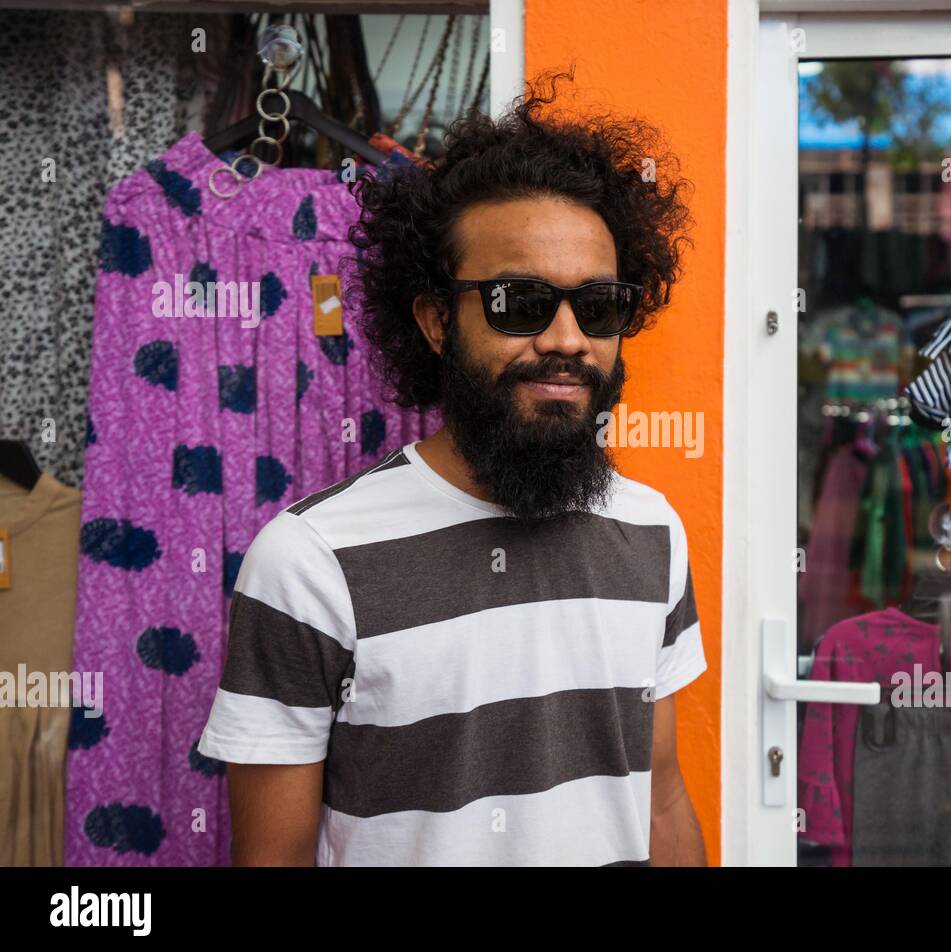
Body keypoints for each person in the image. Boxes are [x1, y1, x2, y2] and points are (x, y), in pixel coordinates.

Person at [196, 70, 706, 866]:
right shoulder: (307, 563)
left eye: (598, 306)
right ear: (437, 321)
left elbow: (662, 795)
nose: (569, 339)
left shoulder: (652, 532)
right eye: (519, 302)